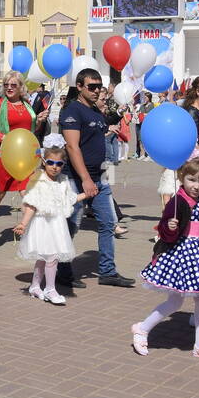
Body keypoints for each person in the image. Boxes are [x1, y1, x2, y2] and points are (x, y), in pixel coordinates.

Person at [131, 157, 199, 360]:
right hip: (182, 256)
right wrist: (169, 227)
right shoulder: (177, 202)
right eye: (192, 179)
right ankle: (142, 328)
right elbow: (165, 229)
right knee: (175, 301)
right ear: (181, 178)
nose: (196, 185)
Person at [60, 68, 133, 288]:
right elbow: (72, 147)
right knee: (71, 225)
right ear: (79, 87)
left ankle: (107, 272)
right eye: (91, 86)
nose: (96, 91)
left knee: (108, 223)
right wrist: (85, 179)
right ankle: (61, 272)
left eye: (99, 87)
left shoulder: (94, 111)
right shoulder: (72, 110)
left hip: (99, 177)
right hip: (76, 178)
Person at [12, 142, 84, 306]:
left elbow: (70, 199)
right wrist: (23, 223)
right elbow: (32, 203)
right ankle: (50, 289)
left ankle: (35, 286)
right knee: (51, 257)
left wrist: (86, 194)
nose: (55, 167)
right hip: (42, 223)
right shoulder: (38, 179)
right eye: (51, 162)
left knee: (45, 258)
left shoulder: (63, 181)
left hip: (57, 224)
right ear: (44, 161)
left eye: (59, 164)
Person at [0, 72, 36, 246]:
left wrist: (38, 120)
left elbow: (28, 129)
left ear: (21, 87)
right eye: (6, 85)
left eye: (13, 85)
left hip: (24, 156)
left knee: (28, 192)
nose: (9, 88)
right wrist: (8, 140)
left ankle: (27, 229)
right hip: (3, 155)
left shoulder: (27, 105)